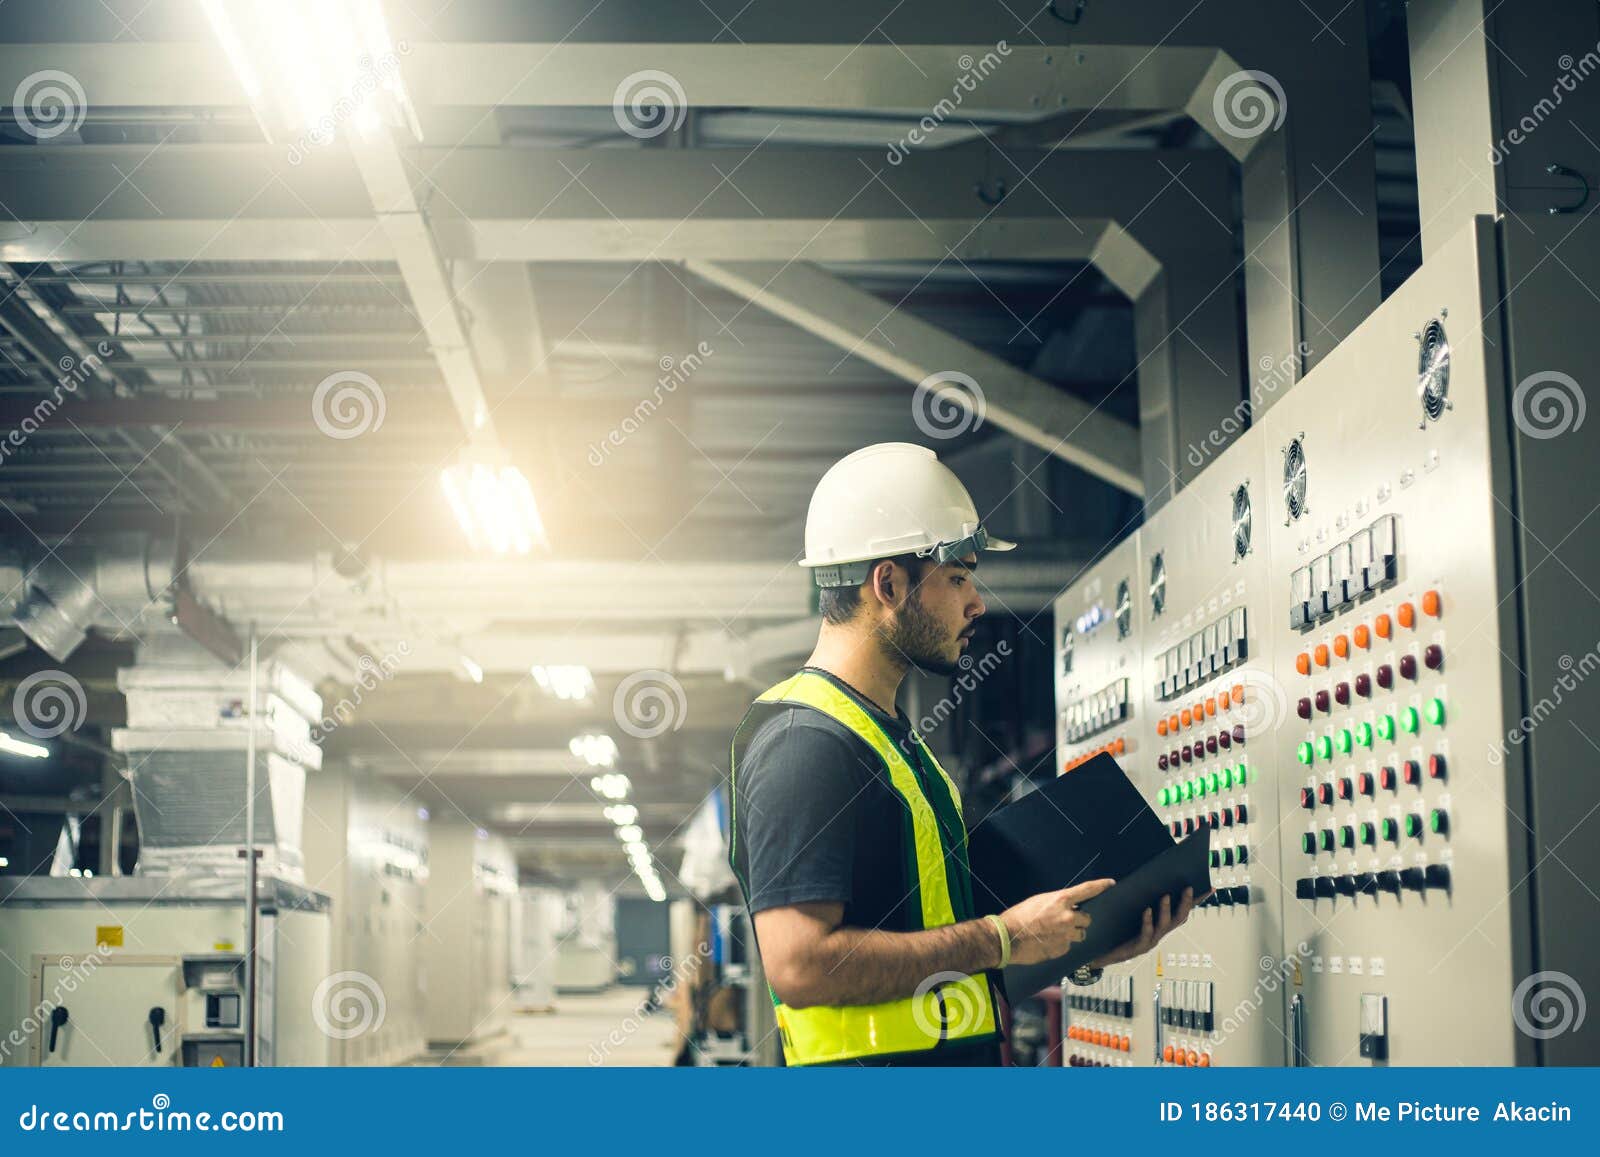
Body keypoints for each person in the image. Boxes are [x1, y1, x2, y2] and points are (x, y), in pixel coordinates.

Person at [728, 442, 1196, 1066]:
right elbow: (801, 964)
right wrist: (1005, 937)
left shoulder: (896, 743)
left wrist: (1078, 942)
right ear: (888, 584)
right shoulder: (804, 743)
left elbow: (942, 959)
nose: (976, 603)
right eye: (957, 577)